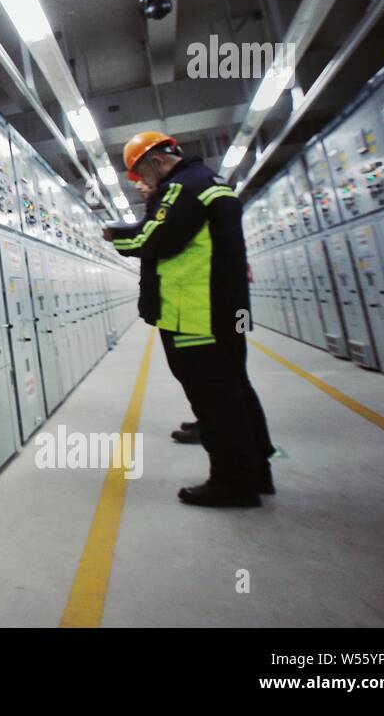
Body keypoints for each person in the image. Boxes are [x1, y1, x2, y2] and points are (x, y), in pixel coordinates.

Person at [103, 131, 275, 507]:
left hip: (194, 313)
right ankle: (257, 471)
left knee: (213, 398)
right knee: (236, 389)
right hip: (227, 310)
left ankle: (232, 482)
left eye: (140, 175)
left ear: (155, 161)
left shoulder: (182, 187)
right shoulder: (212, 184)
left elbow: (154, 239)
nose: (143, 184)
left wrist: (114, 234)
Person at [133, 179, 202, 446]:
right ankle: (206, 422)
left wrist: (119, 237)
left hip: (193, 312)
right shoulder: (171, 206)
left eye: (143, 180)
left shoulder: (180, 204)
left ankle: (241, 460)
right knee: (195, 376)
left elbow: (149, 241)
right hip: (180, 310)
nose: (140, 187)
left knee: (211, 379)